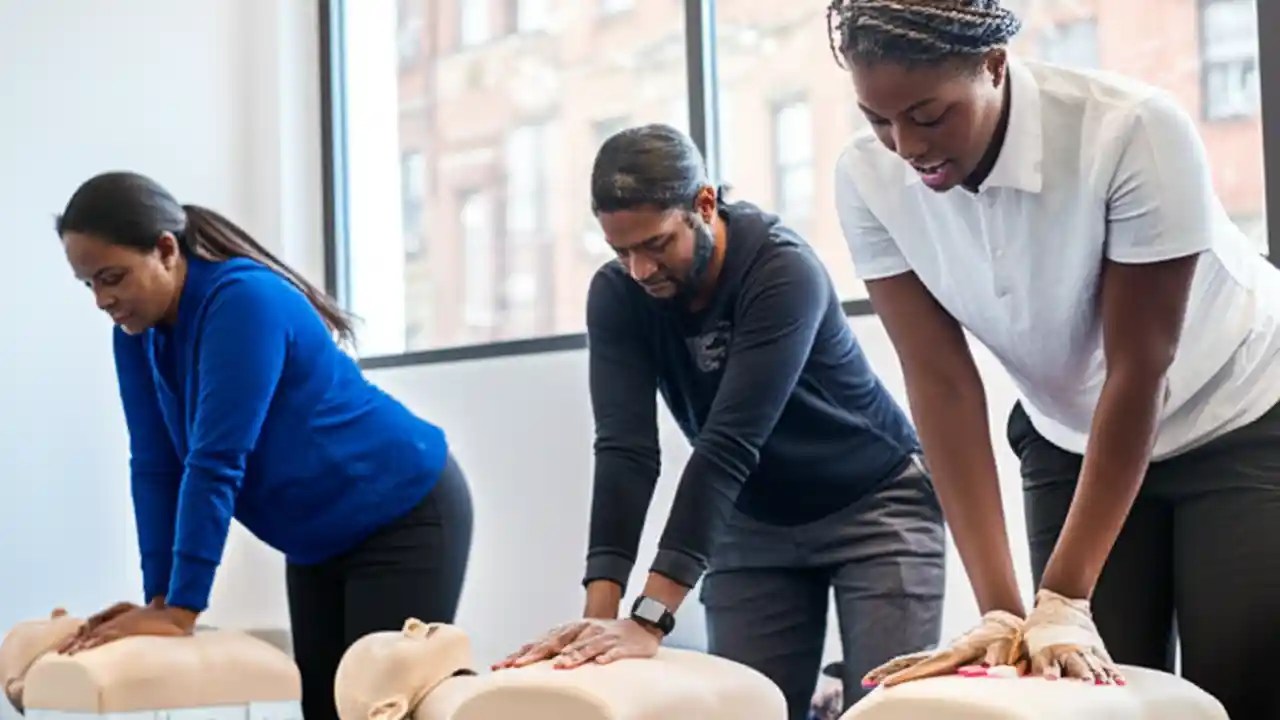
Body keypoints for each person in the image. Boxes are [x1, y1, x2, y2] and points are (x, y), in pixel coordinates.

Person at [826, 1, 1280, 717]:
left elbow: (1140, 367)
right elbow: (941, 385)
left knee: (1235, 682)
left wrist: (1065, 594)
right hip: (1068, 431)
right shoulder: (864, 180)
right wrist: (1002, 613)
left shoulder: (1131, 129)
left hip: (1241, 412)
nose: (905, 145)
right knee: (1075, 686)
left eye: (929, 114)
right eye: (877, 119)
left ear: (995, 66)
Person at [495, 124, 947, 719]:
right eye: (620, 251)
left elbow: (728, 445)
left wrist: (650, 617)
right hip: (752, 521)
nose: (639, 269)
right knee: (745, 708)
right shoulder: (618, 294)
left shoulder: (782, 271)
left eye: (656, 244)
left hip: (875, 504)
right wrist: (597, 624)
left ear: (704, 205)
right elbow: (625, 450)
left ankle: (838, 699)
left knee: (887, 710)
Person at [53, 172, 474, 720]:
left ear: (165, 249)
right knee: (323, 710)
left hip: (404, 514)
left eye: (112, 277)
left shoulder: (242, 300)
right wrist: (158, 599)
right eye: (89, 285)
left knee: (377, 708)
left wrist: (183, 609)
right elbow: (155, 466)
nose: (103, 300)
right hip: (316, 543)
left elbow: (215, 460)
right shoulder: (136, 332)